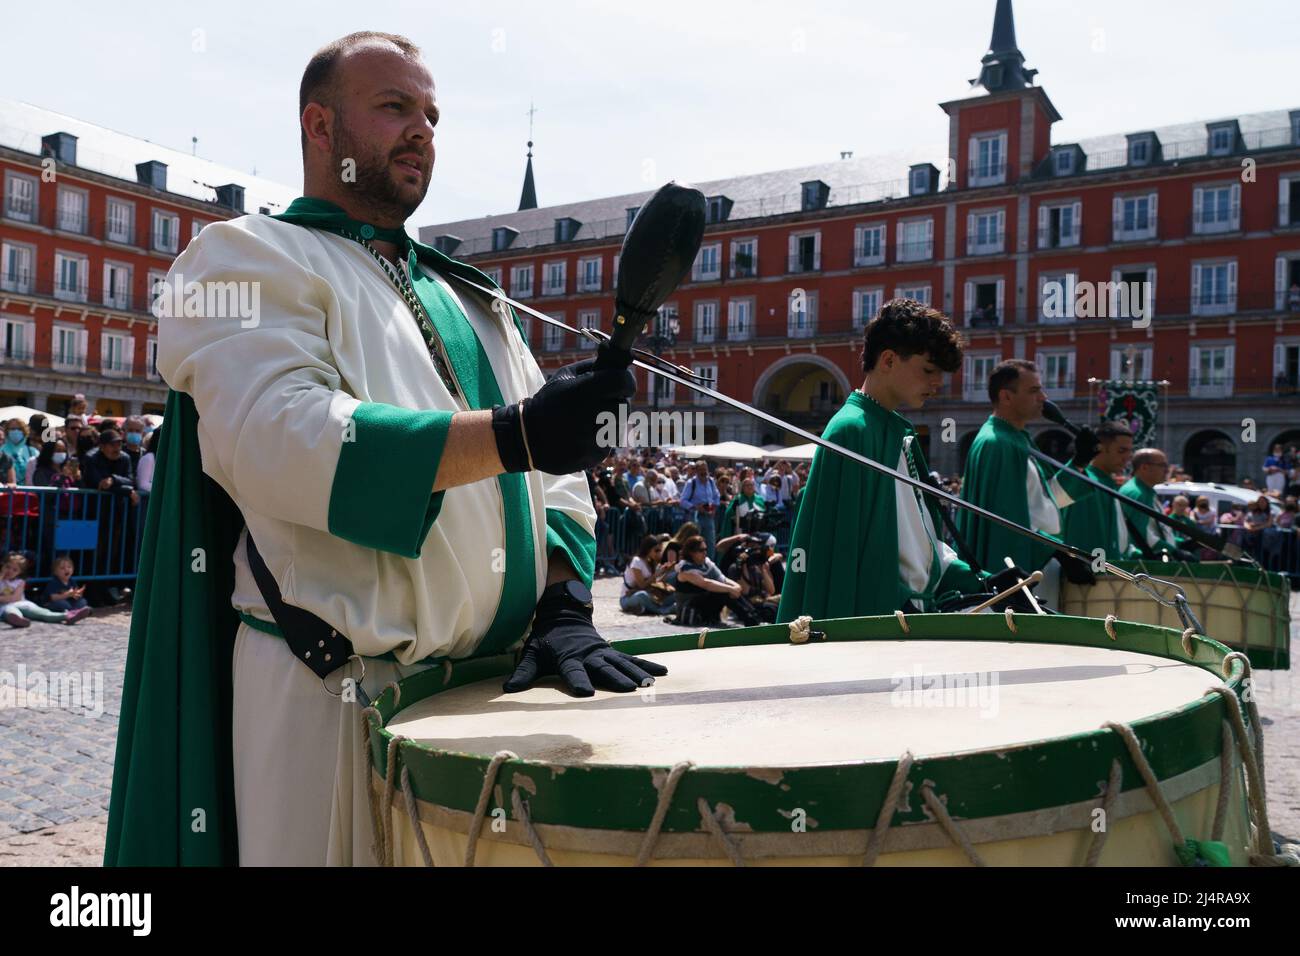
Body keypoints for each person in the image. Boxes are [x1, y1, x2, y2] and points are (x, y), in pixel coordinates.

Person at [107, 31, 665, 868]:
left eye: (432, 115)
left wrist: (562, 607)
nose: (422, 131)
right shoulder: (244, 256)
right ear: (320, 125)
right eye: (395, 107)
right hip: (330, 698)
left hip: (486, 693)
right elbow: (279, 438)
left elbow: (555, 488)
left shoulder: (472, 297)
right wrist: (515, 434)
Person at [780, 299, 987, 622]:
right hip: (884, 622)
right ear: (889, 360)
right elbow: (842, 559)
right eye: (929, 370)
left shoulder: (894, 428)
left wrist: (977, 579)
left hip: (909, 617)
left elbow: (919, 544)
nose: (937, 384)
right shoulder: (852, 430)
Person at [956, 359, 1097, 607]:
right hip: (1027, 568)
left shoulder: (1016, 438)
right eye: (1033, 391)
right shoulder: (998, 443)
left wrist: (1079, 463)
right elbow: (1007, 526)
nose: (1043, 397)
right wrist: (1055, 550)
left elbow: (1042, 502)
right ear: (1006, 397)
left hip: (1039, 563)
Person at [1060, 420, 1137, 564]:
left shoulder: (1106, 481)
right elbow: (1082, 537)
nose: (1128, 457)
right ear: (1099, 448)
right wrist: (1098, 570)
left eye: (1130, 451)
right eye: (1121, 451)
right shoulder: (1088, 482)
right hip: (1093, 577)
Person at [673, 535, 762, 627]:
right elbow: (706, 583)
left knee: (726, 589)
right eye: (700, 550)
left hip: (704, 604)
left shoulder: (706, 564)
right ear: (691, 552)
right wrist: (730, 589)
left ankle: (754, 615)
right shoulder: (685, 569)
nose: (704, 553)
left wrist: (735, 586)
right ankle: (750, 620)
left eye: (705, 549)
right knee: (722, 591)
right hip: (690, 610)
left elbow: (721, 578)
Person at [1118, 449, 1182, 557]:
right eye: (1162, 465)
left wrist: (1180, 542)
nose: (1167, 470)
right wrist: (1173, 551)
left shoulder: (1144, 491)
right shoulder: (1138, 493)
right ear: (1144, 467)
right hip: (1144, 564)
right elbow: (1142, 535)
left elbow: (1156, 529)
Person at [0, 552, 91, 626]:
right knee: (10, 611)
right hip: (4, 607)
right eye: (7, 567)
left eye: (14, 570)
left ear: (19, 572)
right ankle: (18, 620)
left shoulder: (20, 581)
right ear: (3, 566)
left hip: (22, 603)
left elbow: (15, 598)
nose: (10, 571)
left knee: (43, 613)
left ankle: (68, 616)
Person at [620, 535, 675, 616]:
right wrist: (656, 574)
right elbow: (642, 585)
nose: (658, 553)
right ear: (648, 549)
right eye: (656, 550)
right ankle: (660, 610)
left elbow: (655, 583)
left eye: (659, 550)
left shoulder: (651, 562)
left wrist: (665, 572)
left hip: (648, 593)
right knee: (642, 595)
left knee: (672, 587)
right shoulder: (636, 561)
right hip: (628, 597)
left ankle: (648, 608)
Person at [679, 459, 721, 560]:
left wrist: (715, 506)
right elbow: (682, 501)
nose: (703, 472)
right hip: (695, 517)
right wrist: (696, 507)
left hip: (709, 516)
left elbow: (716, 496)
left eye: (705, 469)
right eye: (701, 470)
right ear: (696, 471)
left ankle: (709, 565)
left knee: (710, 544)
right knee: (695, 544)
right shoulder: (691, 483)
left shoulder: (711, 481)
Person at [2, 419, 35, 483]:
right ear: (7, 431)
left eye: (19, 429)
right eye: (13, 429)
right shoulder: (1, 450)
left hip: (28, 492)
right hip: (6, 491)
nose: (16, 431)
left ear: (24, 431)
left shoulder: (32, 451)